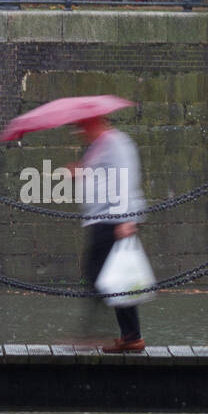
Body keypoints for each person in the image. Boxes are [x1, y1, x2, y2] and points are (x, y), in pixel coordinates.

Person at [75, 115, 147, 353]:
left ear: (97, 123)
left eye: (84, 126)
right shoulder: (98, 147)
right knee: (111, 277)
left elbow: (126, 178)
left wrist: (127, 218)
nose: (82, 131)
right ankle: (129, 335)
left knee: (105, 276)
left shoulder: (116, 143)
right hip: (100, 220)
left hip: (112, 220)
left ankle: (109, 334)